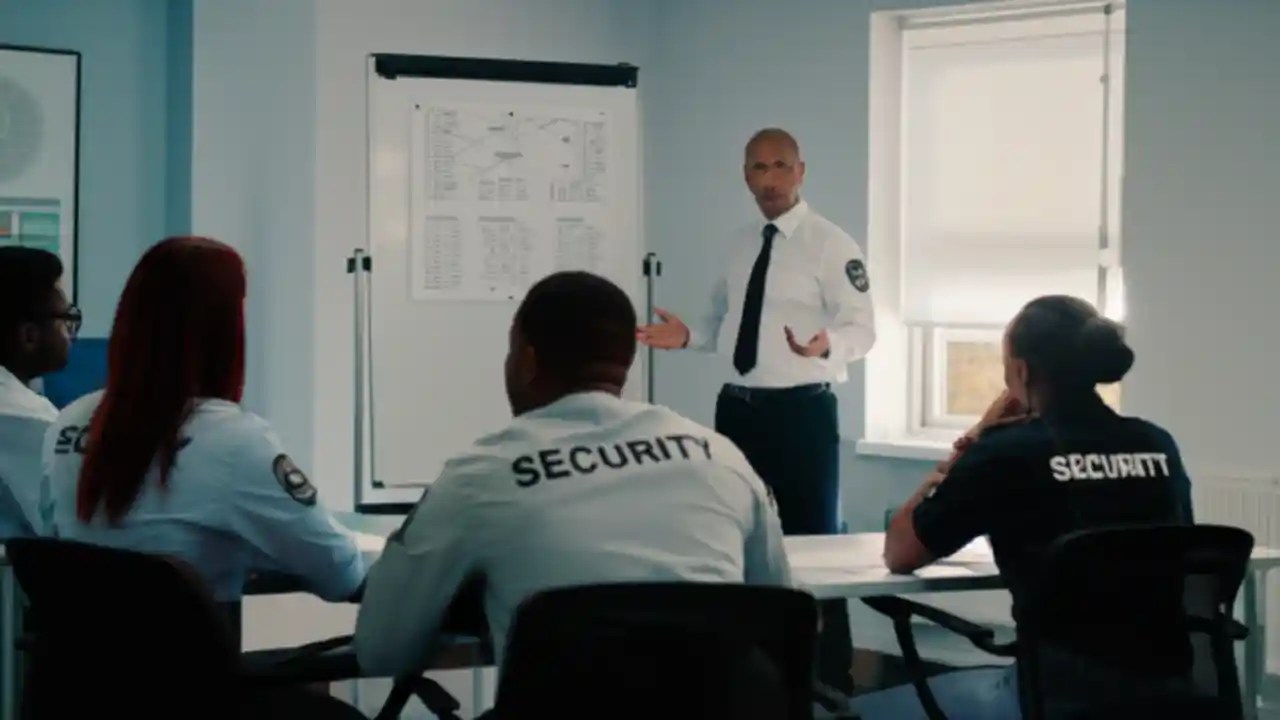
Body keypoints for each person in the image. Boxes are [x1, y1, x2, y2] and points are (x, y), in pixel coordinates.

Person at [355, 270, 791, 679]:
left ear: (527, 359)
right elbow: (777, 611)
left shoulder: (481, 476)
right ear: (627, 360)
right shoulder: (722, 457)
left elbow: (382, 650)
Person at [851, 295, 1195, 720]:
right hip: (1172, 696)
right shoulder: (1156, 444)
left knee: (855, 711)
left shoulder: (1006, 454)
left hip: (1050, 698)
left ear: (1021, 371)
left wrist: (979, 432)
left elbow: (900, 552)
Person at [636, 127, 874, 692]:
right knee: (738, 536)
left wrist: (827, 346)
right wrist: (688, 335)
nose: (769, 180)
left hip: (802, 414)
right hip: (739, 410)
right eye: (757, 169)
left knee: (814, 546)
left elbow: (862, 329)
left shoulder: (830, 244)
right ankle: (751, 678)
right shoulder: (741, 243)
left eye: (779, 167)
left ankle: (827, 681)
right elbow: (723, 324)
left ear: (801, 171)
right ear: (745, 175)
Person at [42, 236, 365, 604]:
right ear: (224, 329)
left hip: (81, 660)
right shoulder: (234, 441)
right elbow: (342, 573)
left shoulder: (64, 426)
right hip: (191, 660)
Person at [0, 247, 78, 538]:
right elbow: (66, 530)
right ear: (29, 335)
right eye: (66, 317)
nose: (70, 332)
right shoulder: (27, 419)